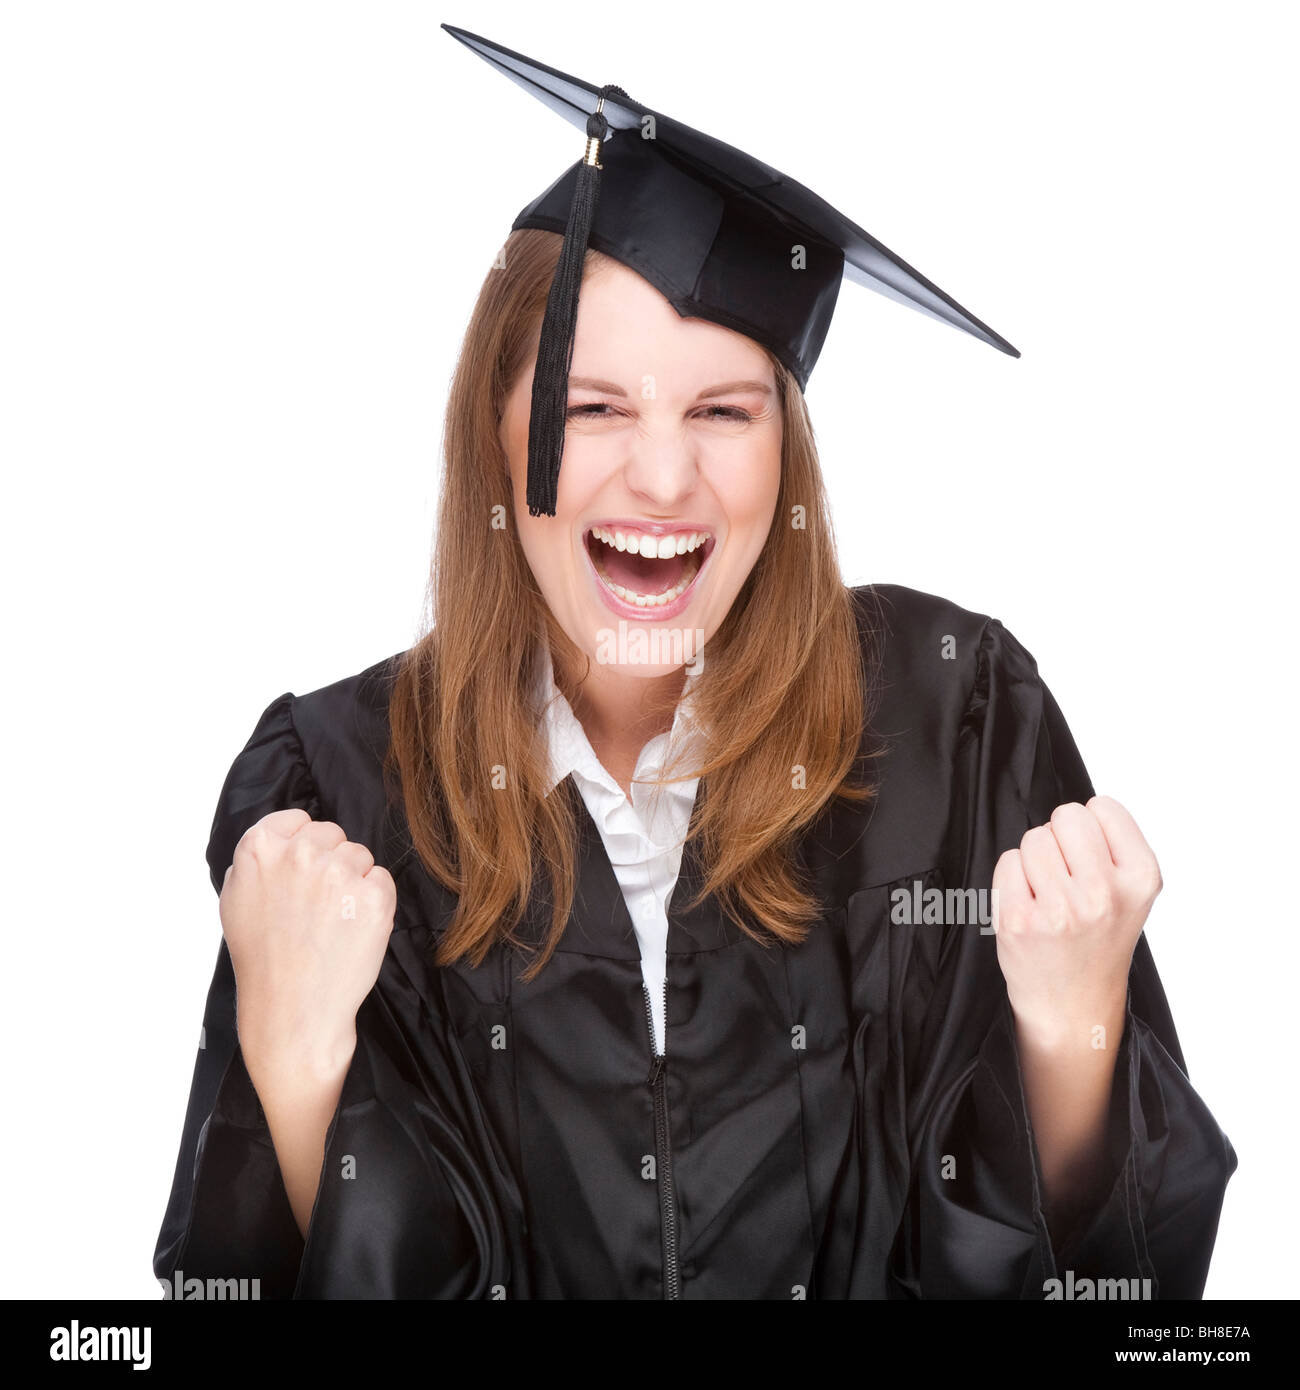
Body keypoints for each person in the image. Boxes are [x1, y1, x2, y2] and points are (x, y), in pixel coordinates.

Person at [152, 28, 1236, 1300]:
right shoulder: (338, 791)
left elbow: (1125, 1302)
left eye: (723, 411)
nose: (662, 479)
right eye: (596, 407)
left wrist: (1069, 1031)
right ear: (497, 437)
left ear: (787, 452)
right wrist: (289, 1059)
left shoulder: (957, 725)